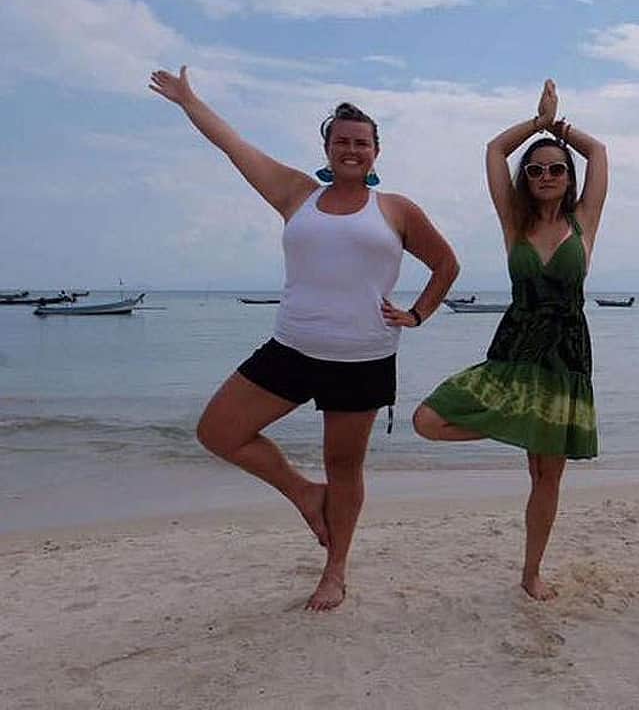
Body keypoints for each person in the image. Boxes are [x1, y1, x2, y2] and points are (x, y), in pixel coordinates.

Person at [149, 66, 460, 611]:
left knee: (344, 466)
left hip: (363, 357)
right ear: (327, 148)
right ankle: (303, 493)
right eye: (342, 141)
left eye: (361, 143)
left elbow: (445, 264)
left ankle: (335, 570)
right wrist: (188, 101)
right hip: (291, 348)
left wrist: (417, 314)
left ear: (375, 152)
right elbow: (234, 146)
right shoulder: (297, 193)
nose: (351, 150)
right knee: (218, 431)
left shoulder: (397, 210)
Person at [411, 80, 607, 601]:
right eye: (536, 170)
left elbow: (598, 151)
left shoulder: (584, 222)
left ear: (569, 178)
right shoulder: (513, 222)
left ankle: (531, 571)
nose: (546, 176)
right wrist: (538, 123)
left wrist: (560, 128)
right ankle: (515, 426)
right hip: (514, 347)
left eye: (556, 169)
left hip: (565, 354)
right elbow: (496, 150)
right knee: (427, 420)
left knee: (546, 475)